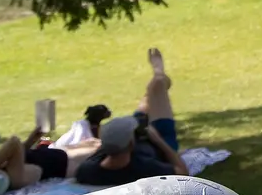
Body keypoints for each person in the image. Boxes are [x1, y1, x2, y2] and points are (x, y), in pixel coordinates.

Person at [75, 48, 193, 186]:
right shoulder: (145, 168)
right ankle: (159, 72)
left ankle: (157, 81)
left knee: (149, 99)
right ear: (131, 143)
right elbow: (183, 173)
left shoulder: (88, 170)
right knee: (158, 84)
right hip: (161, 139)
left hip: (139, 139)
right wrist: (158, 140)